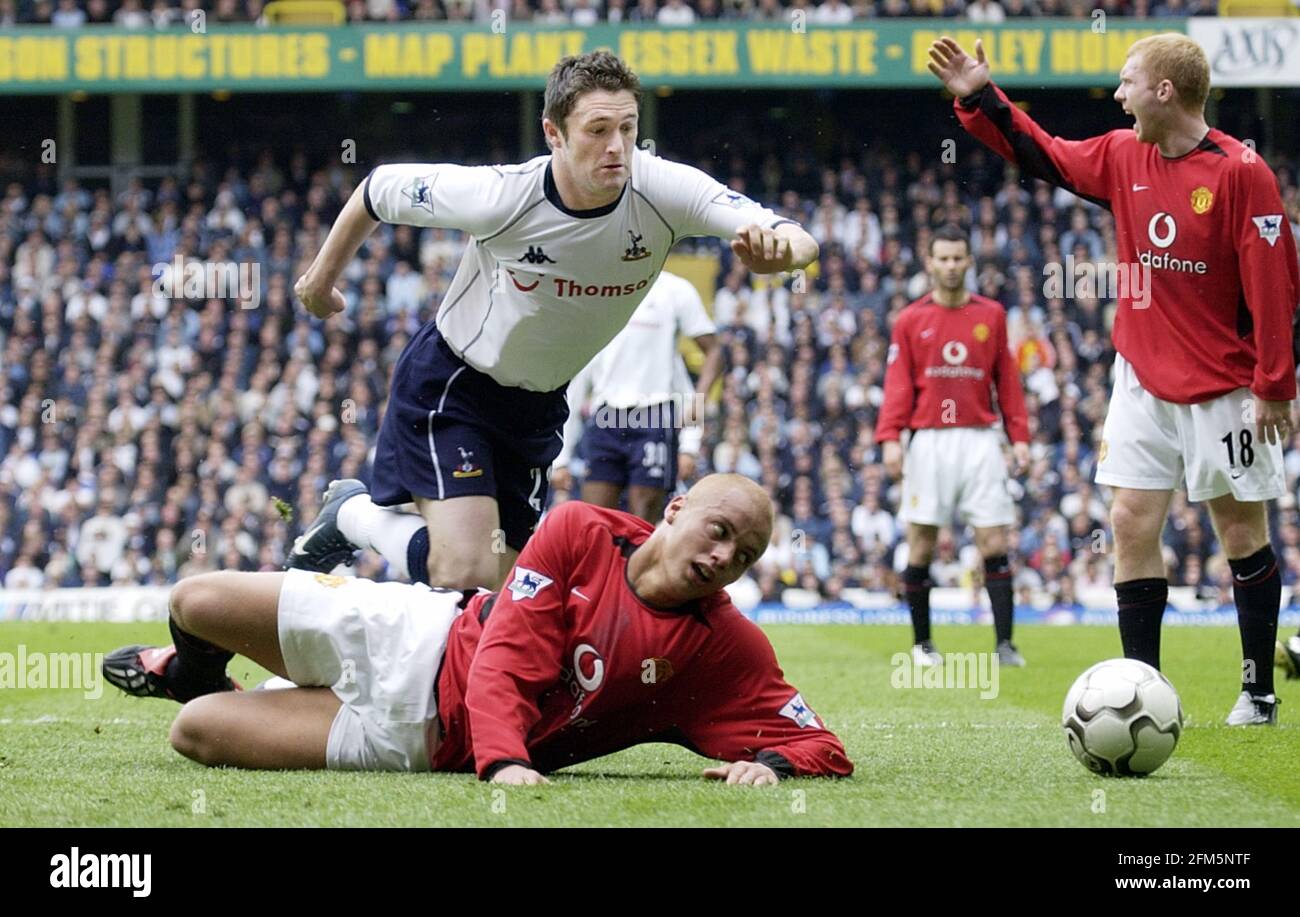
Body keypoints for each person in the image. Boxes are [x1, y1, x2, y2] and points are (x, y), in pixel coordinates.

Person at [289, 51, 818, 592]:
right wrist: (318, 278)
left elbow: (795, 235)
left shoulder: (662, 191)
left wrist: (782, 252)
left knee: (513, 590)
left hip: (537, 408)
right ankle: (351, 515)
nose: (616, 147)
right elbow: (377, 190)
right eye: (597, 130)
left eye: (628, 129)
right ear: (554, 133)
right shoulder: (501, 197)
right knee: (464, 570)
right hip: (454, 386)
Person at [930, 33, 1300, 723]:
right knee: (1129, 520)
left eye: (1128, 82)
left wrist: (1276, 383)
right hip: (1139, 376)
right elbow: (1043, 153)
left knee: (1240, 532)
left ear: (1165, 90)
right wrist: (982, 98)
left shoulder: (1243, 173)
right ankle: (1148, 696)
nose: (1117, 93)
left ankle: (1257, 689)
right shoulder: (1122, 154)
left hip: (1224, 386)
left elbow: (1275, 283)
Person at [101, 474, 853, 784]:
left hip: (418, 741)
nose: (725, 558)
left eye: (745, 556)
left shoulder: (723, 647)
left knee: (194, 732)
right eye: (719, 531)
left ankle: (195, 686)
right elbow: (506, 656)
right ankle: (189, 665)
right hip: (416, 635)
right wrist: (503, 762)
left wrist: (774, 767)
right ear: (678, 507)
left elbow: (820, 743)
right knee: (195, 597)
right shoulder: (579, 529)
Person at [876, 224, 1031, 668]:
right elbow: (898, 385)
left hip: (980, 439)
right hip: (928, 442)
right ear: (930, 262)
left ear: (969, 261)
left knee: (994, 541)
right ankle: (922, 645)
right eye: (942, 258)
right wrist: (890, 438)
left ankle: (1005, 645)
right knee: (921, 543)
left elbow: (1008, 381)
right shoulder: (910, 320)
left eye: (957, 258)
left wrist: (1018, 437)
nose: (949, 265)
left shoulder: (992, 315)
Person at [551, 270, 722, 521]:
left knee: (643, 526)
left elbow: (713, 355)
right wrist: (561, 459)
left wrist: (690, 444)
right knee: (593, 522)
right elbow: (578, 384)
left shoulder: (675, 290)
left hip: (654, 415)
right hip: (606, 414)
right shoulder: (600, 284)